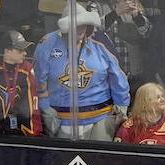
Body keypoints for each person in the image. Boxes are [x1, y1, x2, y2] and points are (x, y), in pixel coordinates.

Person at [34, 2, 130, 139]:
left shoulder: (101, 44)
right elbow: (38, 80)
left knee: (100, 158)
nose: (81, 29)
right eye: (76, 25)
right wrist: (45, 110)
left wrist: (121, 107)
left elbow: (118, 78)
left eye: (84, 24)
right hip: (61, 120)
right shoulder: (47, 45)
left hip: (100, 120)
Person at [0, 30, 43, 136]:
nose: (25, 53)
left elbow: (33, 104)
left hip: (20, 131)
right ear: (7, 50)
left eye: (24, 49)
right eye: (20, 50)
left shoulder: (27, 70)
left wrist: (33, 134)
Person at [113, 81, 165, 145]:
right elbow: (118, 156)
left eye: (162, 96)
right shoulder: (130, 126)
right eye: (157, 97)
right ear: (145, 102)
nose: (162, 100)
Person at [103, 0, 153, 95]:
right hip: (108, 73)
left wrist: (136, 16)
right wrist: (116, 13)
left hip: (134, 72)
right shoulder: (97, 5)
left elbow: (147, 32)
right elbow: (94, 30)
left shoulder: (135, 4)